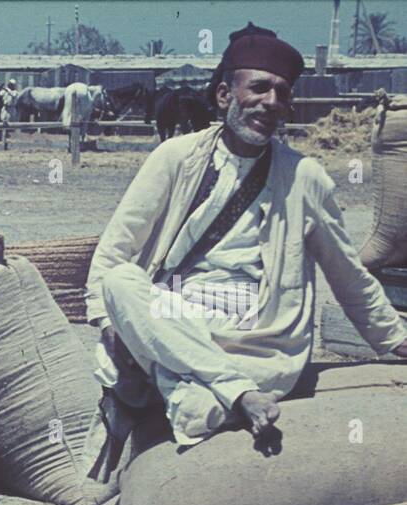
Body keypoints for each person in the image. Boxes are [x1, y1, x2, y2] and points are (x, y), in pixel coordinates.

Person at [85, 27, 407, 476]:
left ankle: (198, 392)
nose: (270, 102)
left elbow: (348, 275)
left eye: (281, 93)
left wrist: (396, 339)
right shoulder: (175, 157)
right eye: (259, 87)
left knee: (183, 385)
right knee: (120, 282)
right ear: (224, 95)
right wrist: (110, 321)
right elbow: (115, 249)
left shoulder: (306, 178)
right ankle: (234, 395)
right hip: (175, 315)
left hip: (257, 335)